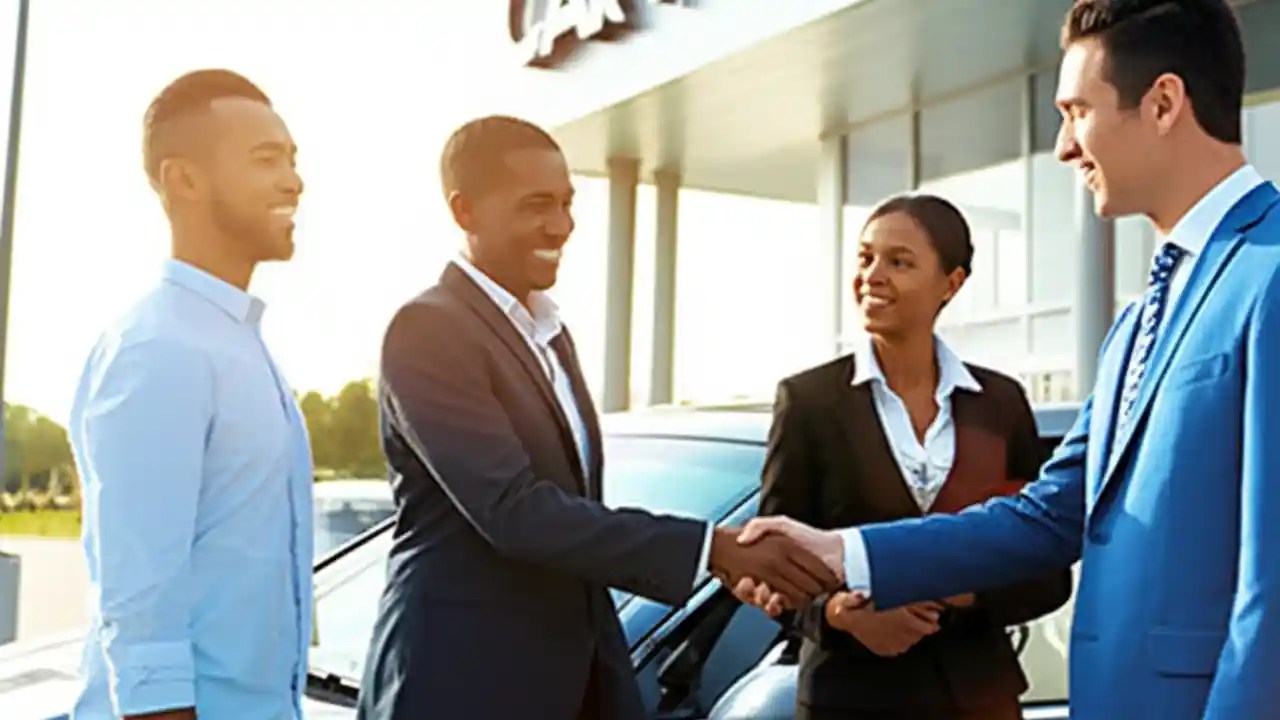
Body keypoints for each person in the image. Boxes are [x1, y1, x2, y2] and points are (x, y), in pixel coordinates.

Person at [734, 1, 1280, 718]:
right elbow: (1048, 516)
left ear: (1163, 102)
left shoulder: (1269, 275)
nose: (1063, 147)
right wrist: (840, 554)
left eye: (1076, 111)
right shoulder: (1135, 323)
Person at [355, 115, 839, 720]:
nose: (561, 225)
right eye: (537, 205)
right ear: (465, 211)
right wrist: (711, 549)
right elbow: (515, 510)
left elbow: (578, 512)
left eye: (566, 203)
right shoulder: (429, 329)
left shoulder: (550, 335)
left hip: (576, 678)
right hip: (463, 681)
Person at [759, 194, 1071, 720]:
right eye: (865, 258)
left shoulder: (1000, 404)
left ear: (951, 283)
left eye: (898, 262)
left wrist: (955, 590)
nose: (872, 276)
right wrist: (839, 614)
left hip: (978, 698)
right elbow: (771, 565)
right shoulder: (808, 402)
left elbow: (1046, 567)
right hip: (849, 700)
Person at [67, 70, 311, 720]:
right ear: (184, 180)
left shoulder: (239, 342)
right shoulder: (159, 348)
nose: (293, 180)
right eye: (267, 159)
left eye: (292, 160)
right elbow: (141, 605)